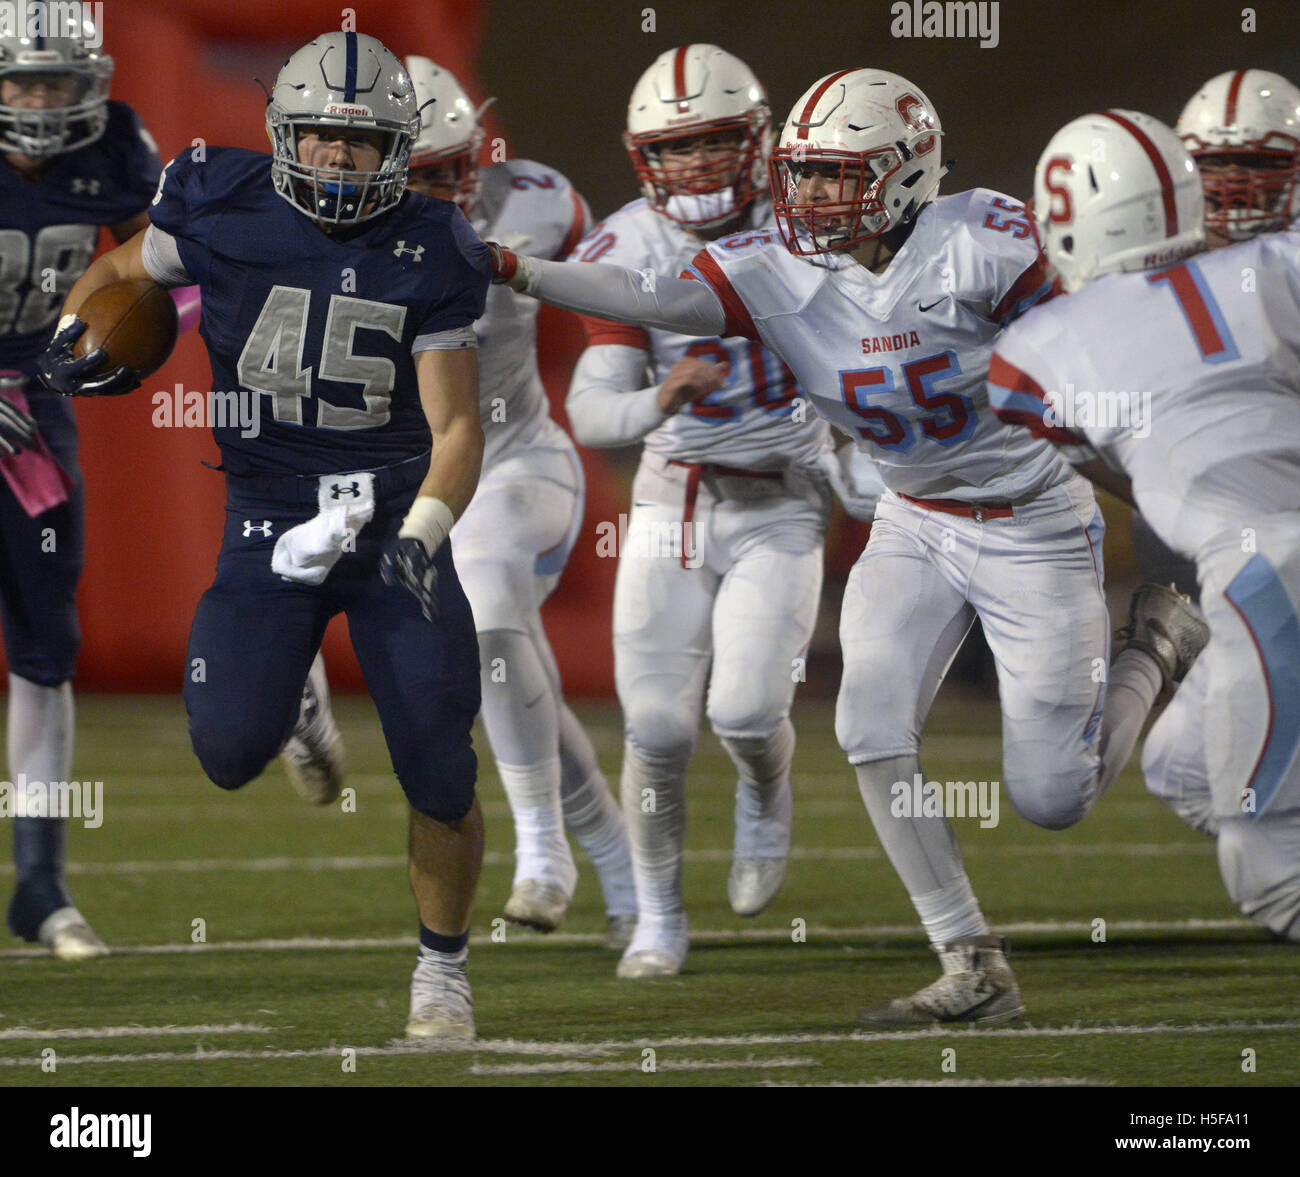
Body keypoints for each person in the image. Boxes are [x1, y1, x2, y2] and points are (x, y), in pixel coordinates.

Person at [487, 68, 1207, 1022]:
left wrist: (1165, 480)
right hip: (913, 521)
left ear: (905, 174)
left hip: (1031, 521)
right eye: (802, 173)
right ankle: (971, 962)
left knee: (1051, 795)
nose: (809, 196)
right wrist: (517, 269)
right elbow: (643, 292)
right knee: (867, 727)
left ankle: (1155, 647)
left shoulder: (988, 243)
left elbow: (1095, 369)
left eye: (834, 175)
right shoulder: (775, 263)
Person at [40, 32, 490, 1039]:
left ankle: (442, 974)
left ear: (398, 150)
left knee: (440, 762)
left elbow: (459, 426)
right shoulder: (214, 195)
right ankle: (293, 690)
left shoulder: (436, 246)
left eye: (361, 143)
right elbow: (125, 265)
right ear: (283, 136)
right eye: (320, 139)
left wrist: (423, 531)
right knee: (229, 748)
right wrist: (85, 321)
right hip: (269, 519)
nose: (336, 159)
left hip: (387, 527)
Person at [562, 44, 862, 979]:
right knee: (654, 725)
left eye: (712, 143)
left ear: (757, 141)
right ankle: (658, 917)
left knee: (741, 710)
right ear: (640, 155)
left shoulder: (818, 225)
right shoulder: (626, 246)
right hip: (673, 495)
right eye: (674, 148)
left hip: (785, 496)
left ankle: (766, 789)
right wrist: (659, 402)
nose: (693, 166)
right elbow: (589, 408)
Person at [989, 105, 1300, 940]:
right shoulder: (1275, 264)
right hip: (1255, 578)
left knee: (1268, 874)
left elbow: (1067, 432)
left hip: (1271, 577)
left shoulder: (1040, 346)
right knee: (1180, 766)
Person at [391, 55, 635, 944]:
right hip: (419, 484)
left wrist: (629, 362)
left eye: (460, 163)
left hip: (524, 463)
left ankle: (545, 852)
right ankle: (615, 853)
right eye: (425, 172)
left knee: (490, 608)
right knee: (509, 665)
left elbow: (624, 283)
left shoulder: (537, 200)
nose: (454, 187)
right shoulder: (336, 234)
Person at [1, 4, 160, 959]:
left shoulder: (114, 147)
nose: (35, 100)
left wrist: (124, 330)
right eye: (19, 79)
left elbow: (167, 269)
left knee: (47, 639)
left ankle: (40, 881)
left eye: (54, 81)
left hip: (33, 406)